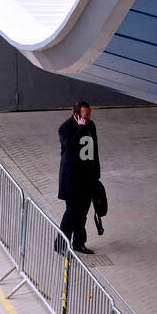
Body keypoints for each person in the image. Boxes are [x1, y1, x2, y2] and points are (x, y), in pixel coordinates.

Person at [57, 100, 100, 255]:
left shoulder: (91, 125)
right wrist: (80, 128)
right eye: (85, 115)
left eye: (89, 114)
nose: (88, 117)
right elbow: (69, 144)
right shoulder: (66, 128)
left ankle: (79, 243)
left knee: (82, 214)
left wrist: (97, 173)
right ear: (77, 114)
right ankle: (61, 243)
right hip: (72, 179)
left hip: (87, 178)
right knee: (72, 213)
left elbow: (94, 150)